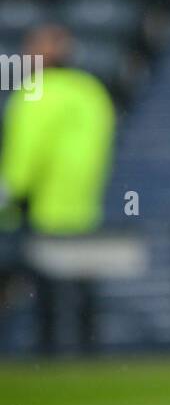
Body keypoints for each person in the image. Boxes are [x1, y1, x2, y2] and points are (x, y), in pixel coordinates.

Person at [0, 24, 116, 353]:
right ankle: (87, 364)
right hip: (84, 212)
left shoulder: (35, 93)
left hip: (39, 214)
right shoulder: (91, 91)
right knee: (81, 304)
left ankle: (46, 362)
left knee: (45, 309)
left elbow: (21, 167)